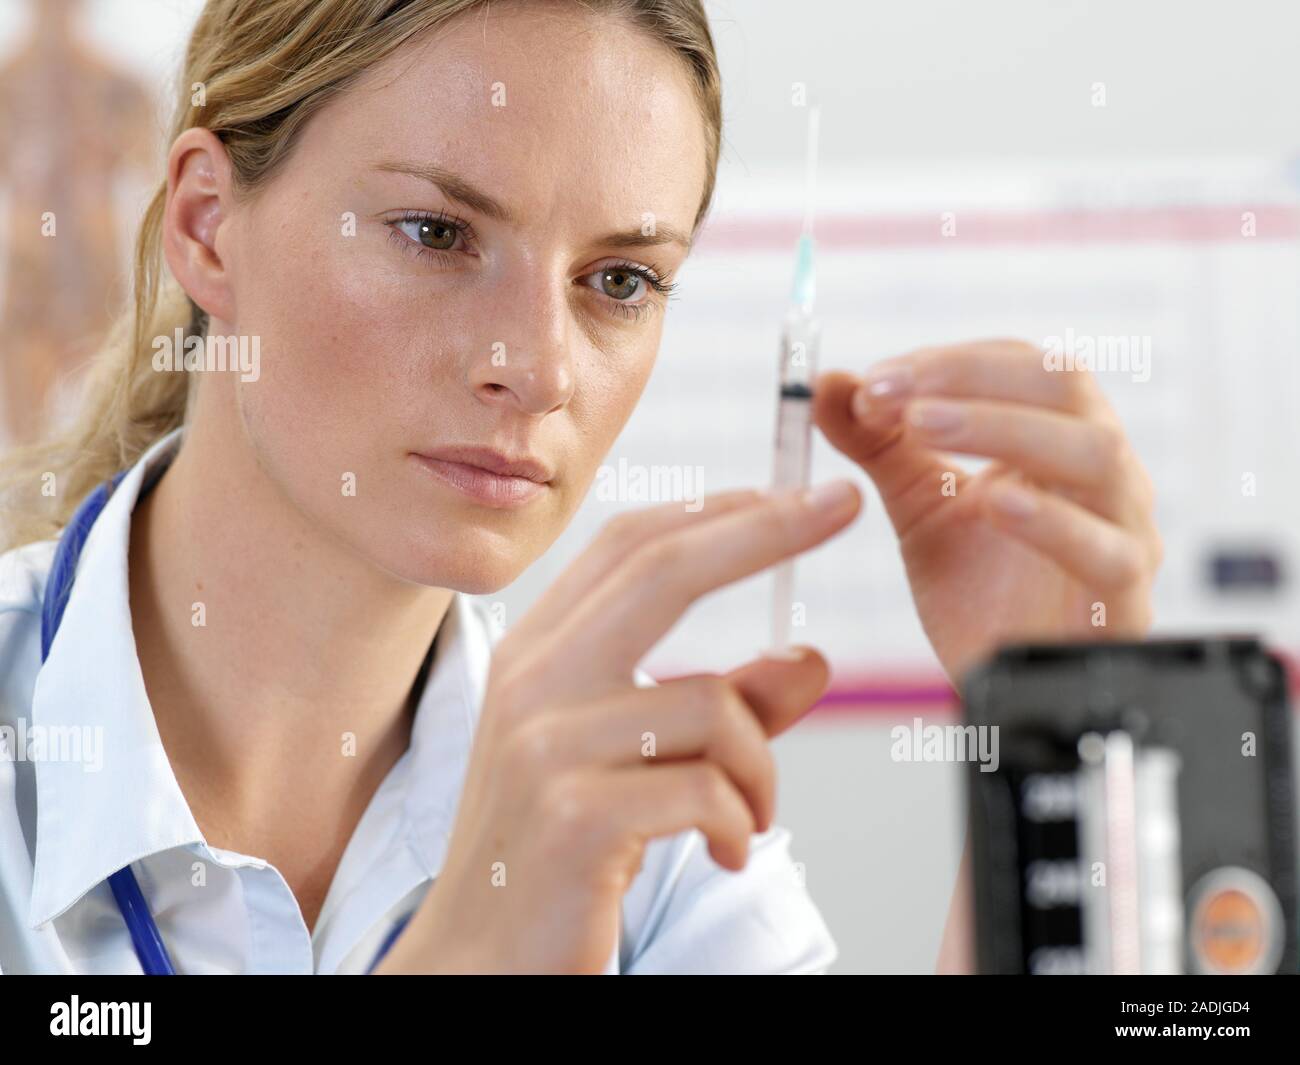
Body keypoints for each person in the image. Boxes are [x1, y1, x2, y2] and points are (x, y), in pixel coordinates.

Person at [0, 0, 1162, 974]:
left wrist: (1044, 749)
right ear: (207, 228)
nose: (542, 370)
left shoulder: (637, 808)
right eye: (435, 232)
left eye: (617, 278)